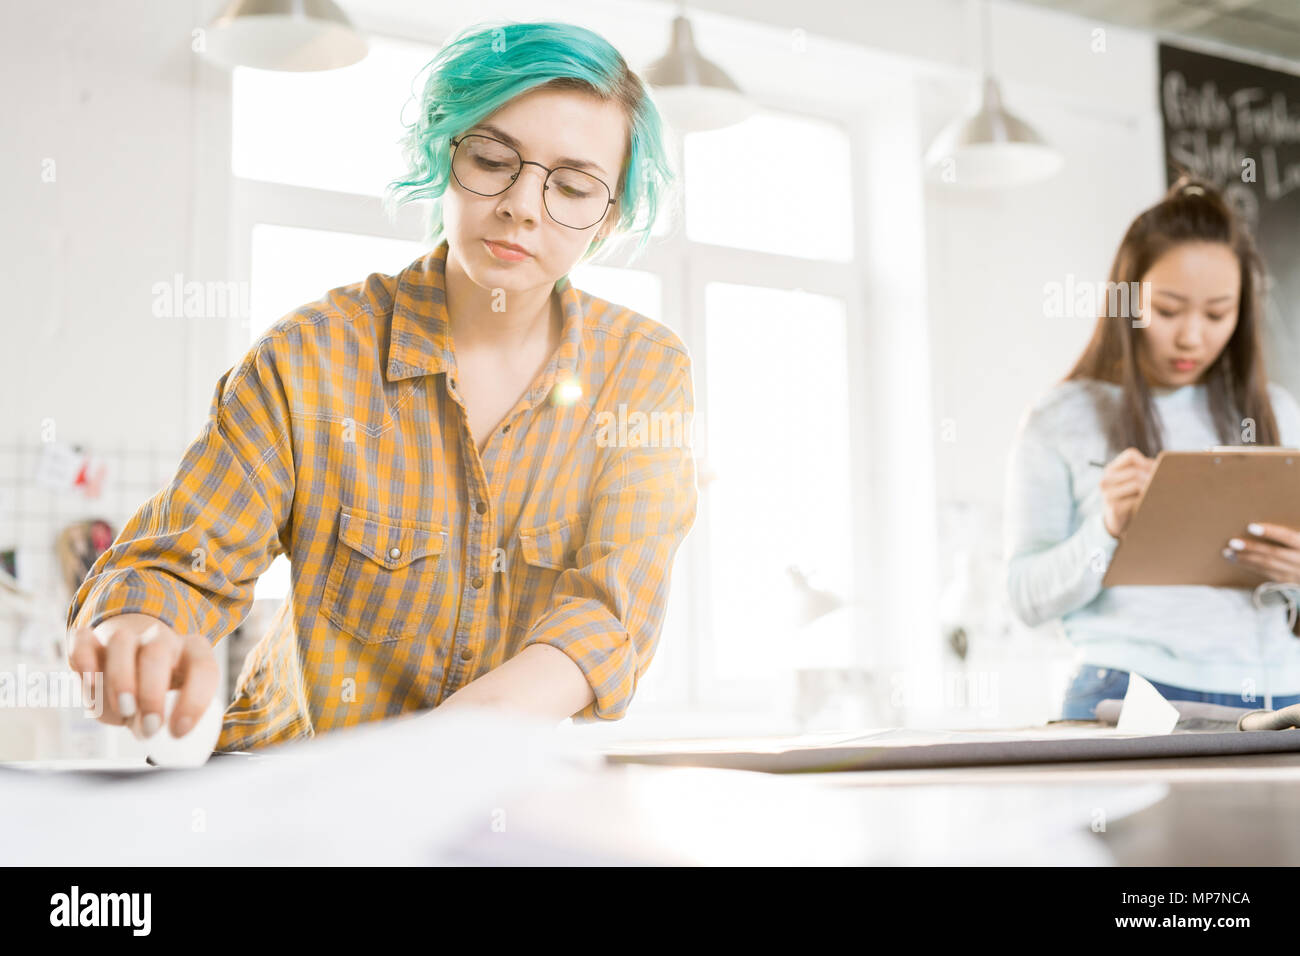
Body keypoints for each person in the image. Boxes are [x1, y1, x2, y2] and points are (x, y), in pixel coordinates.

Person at [65, 20, 697, 752]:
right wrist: (139, 635)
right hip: (285, 800)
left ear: (608, 215)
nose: (523, 205)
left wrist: (425, 761)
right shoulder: (310, 357)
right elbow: (176, 566)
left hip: (486, 810)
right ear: (444, 150)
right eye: (493, 159)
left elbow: (609, 614)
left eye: (575, 185)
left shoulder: (644, 372)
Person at [1004, 177, 1300, 720]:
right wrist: (1108, 529)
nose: (1192, 337)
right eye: (1167, 311)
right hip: (1130, 693)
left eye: (1217, 314)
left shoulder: (1280, 413)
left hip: (1281, 698)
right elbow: (1026, 597)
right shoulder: (1062, 418)